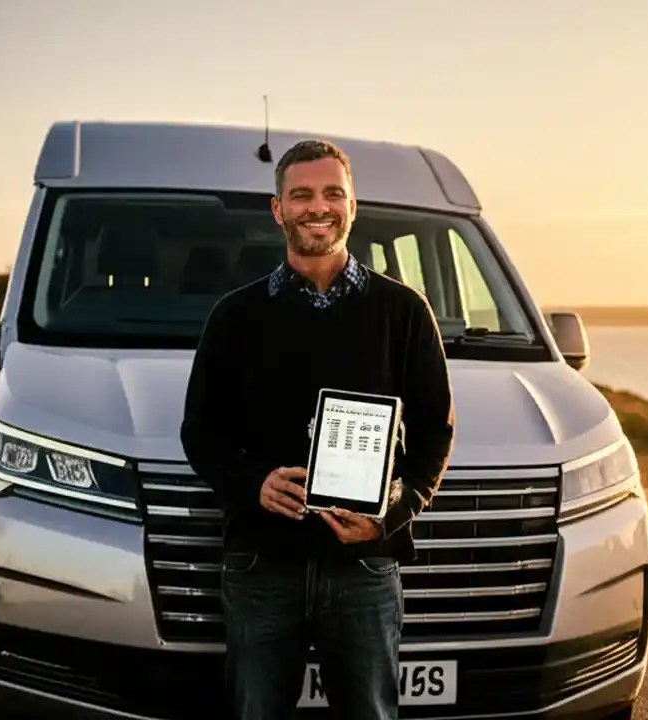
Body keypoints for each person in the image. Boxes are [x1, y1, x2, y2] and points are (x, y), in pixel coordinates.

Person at [180, 139, 455, 719]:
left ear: (353, 206)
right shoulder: (234, 316)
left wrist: (394, 509)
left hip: (364, 567)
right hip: (261, 565)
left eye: (333, 193)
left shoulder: (403, 312)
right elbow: (200, 433)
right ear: (278, 209)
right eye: (301, 194)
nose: (317, 206)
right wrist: (252, 483)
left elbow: (435, 433)